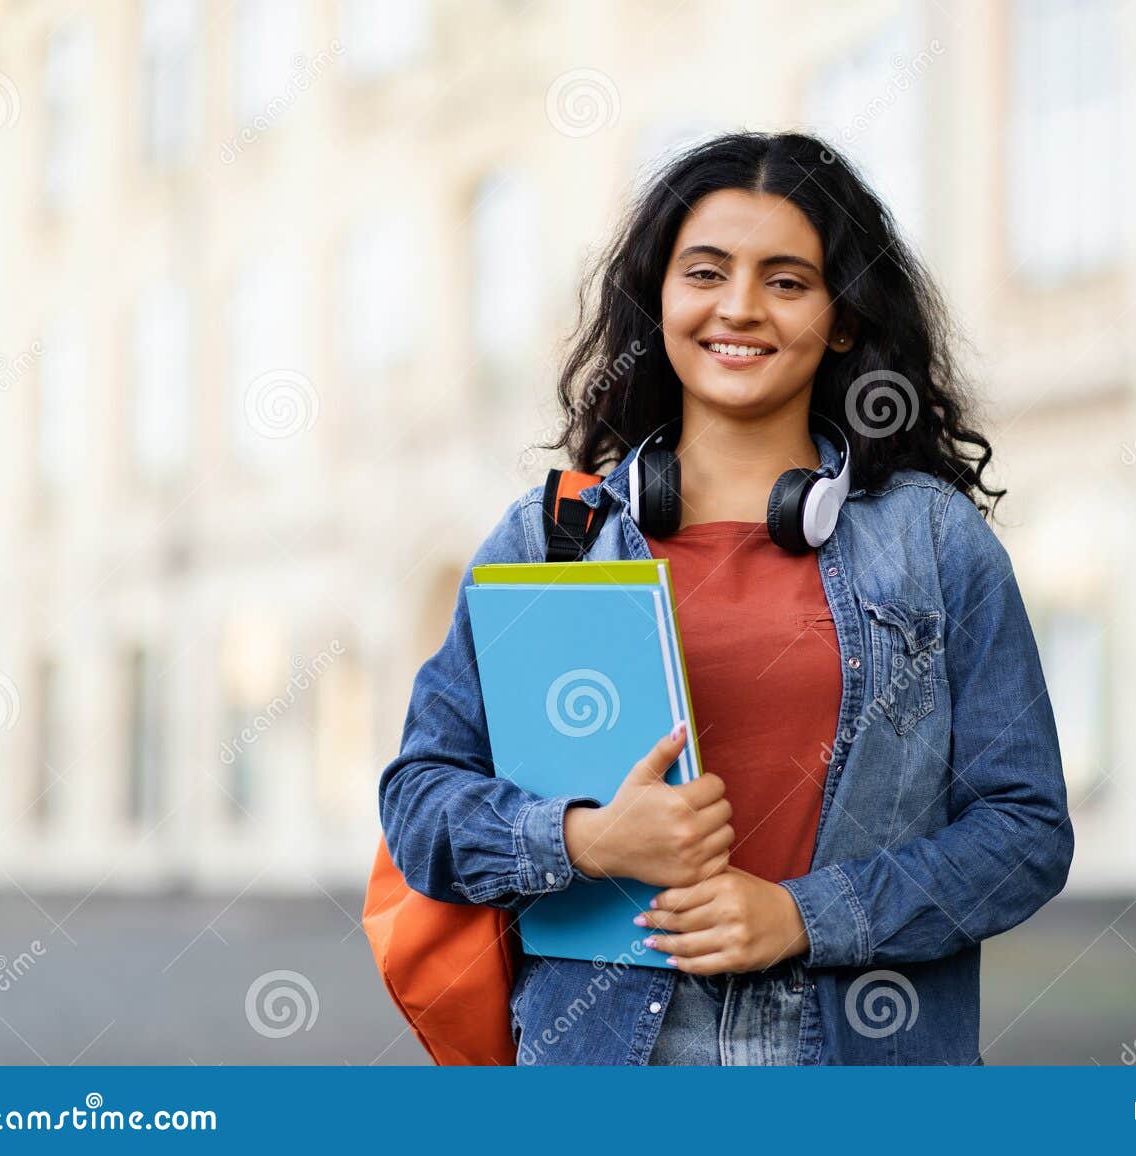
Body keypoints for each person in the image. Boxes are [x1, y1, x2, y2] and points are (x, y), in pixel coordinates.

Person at [379, 131, 1073, 1065]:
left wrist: (801, 916)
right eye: (705, 272)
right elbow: (421, 803)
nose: (739, 307)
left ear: (844, 319)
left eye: (786, 281)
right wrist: (584, 839)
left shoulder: (935, 543)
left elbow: (1024, 832)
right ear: (659, 299)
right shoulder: (549, 543)